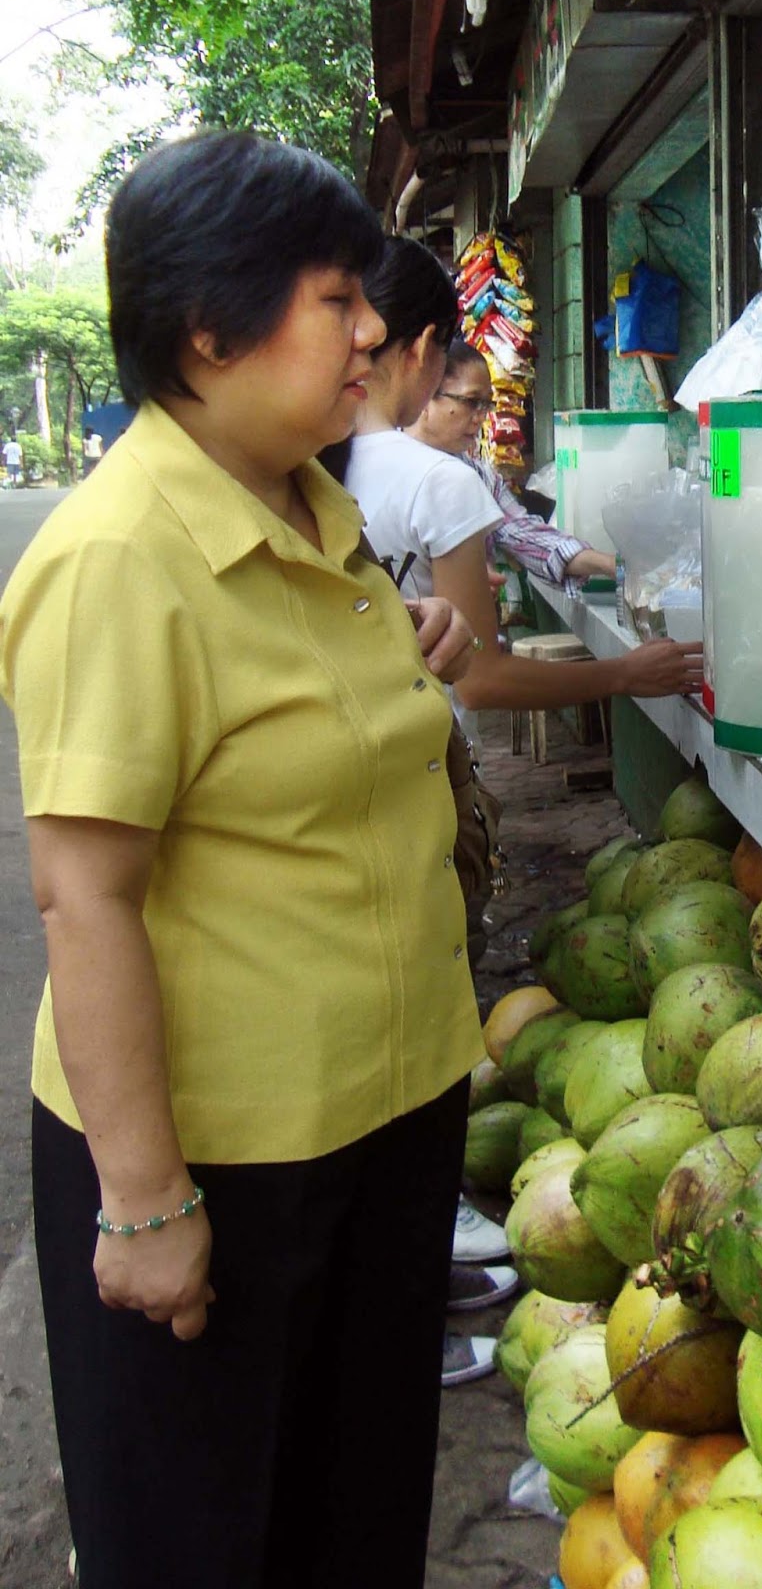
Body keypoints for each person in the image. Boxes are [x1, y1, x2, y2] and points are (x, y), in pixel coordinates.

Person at [0, 132, 487, 1589]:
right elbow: (82, 893)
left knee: (353, 1520)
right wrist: (144, 1206)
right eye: (332, 301)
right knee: (205, 1542)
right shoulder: (118, 556)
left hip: (384, 1117)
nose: (370, 336)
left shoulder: (313, 506)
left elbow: (293, 745)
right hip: (218, 1160)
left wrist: (410, 658)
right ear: (206, 330)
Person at [337, 236, 702, 754]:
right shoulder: (441, 482)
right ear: (423, 350)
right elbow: (481, 681)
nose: (481, 419)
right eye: (466, 398)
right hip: (419, 757)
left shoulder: (310, 462)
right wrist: (624, 674)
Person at [410, 338, 617, 586]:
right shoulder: (392, 465)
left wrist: (611, 565)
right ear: (425, 394)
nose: (480, 418)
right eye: (471, 401)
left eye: (486, 404)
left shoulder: (477, 476)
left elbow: (525, 535)